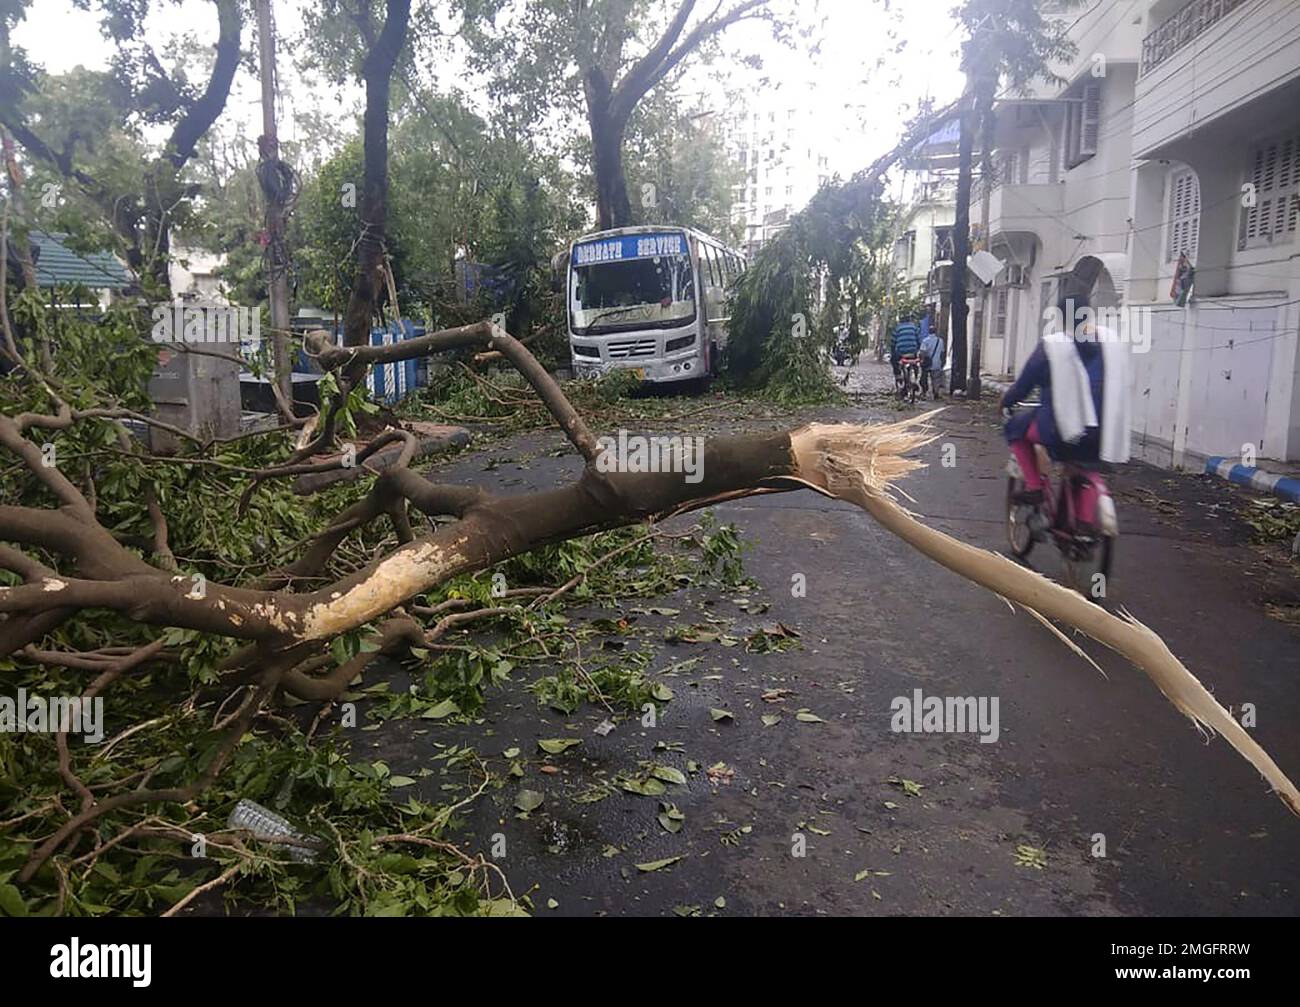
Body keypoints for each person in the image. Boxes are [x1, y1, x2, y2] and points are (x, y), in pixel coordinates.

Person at [999, 293, 1130, 504]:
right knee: (1086, 462)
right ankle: (1086, 518)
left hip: (1061, 430)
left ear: (1061, 317)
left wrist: (1006, 401)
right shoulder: (1110, 342)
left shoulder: (1053, 345)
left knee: (1015, 428)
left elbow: (1025, 383)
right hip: (1104, 432)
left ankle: (1035, 487)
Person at [890, 313, 921, 384]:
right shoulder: (914, 327)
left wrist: (893, 351)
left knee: (893, 360)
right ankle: (916, 378)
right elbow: (919, 340)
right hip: (913, 352)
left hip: (901, 352)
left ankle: (898, 375)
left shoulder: (897, 328)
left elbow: (893, 342)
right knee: (916, 363)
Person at [919, 323, 944, 399]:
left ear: (929, 332)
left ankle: (924, 391)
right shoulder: (940, 341)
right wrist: (942, 362)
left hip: (927, 363)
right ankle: (936, 392)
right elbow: (942, 352)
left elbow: (922, 352)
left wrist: (922, 360)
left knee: (924, 377)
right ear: (936, 332)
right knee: (936, 379)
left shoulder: (925, 341)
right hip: (937, 363)